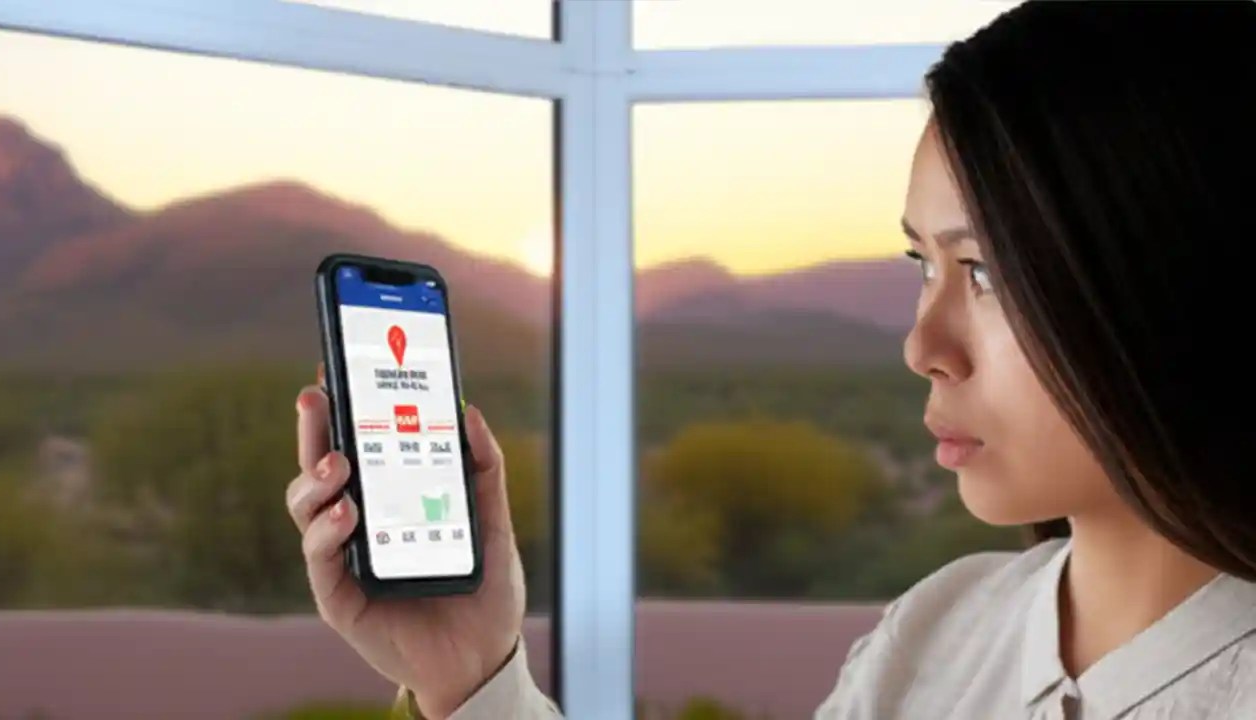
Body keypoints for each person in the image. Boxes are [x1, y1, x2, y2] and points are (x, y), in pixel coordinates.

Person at [286, 1, 1256, 717]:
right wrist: (471, 672)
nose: (923, 347)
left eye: (987, 272)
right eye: (921, 263)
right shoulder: (932, 634)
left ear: (1163, 274)